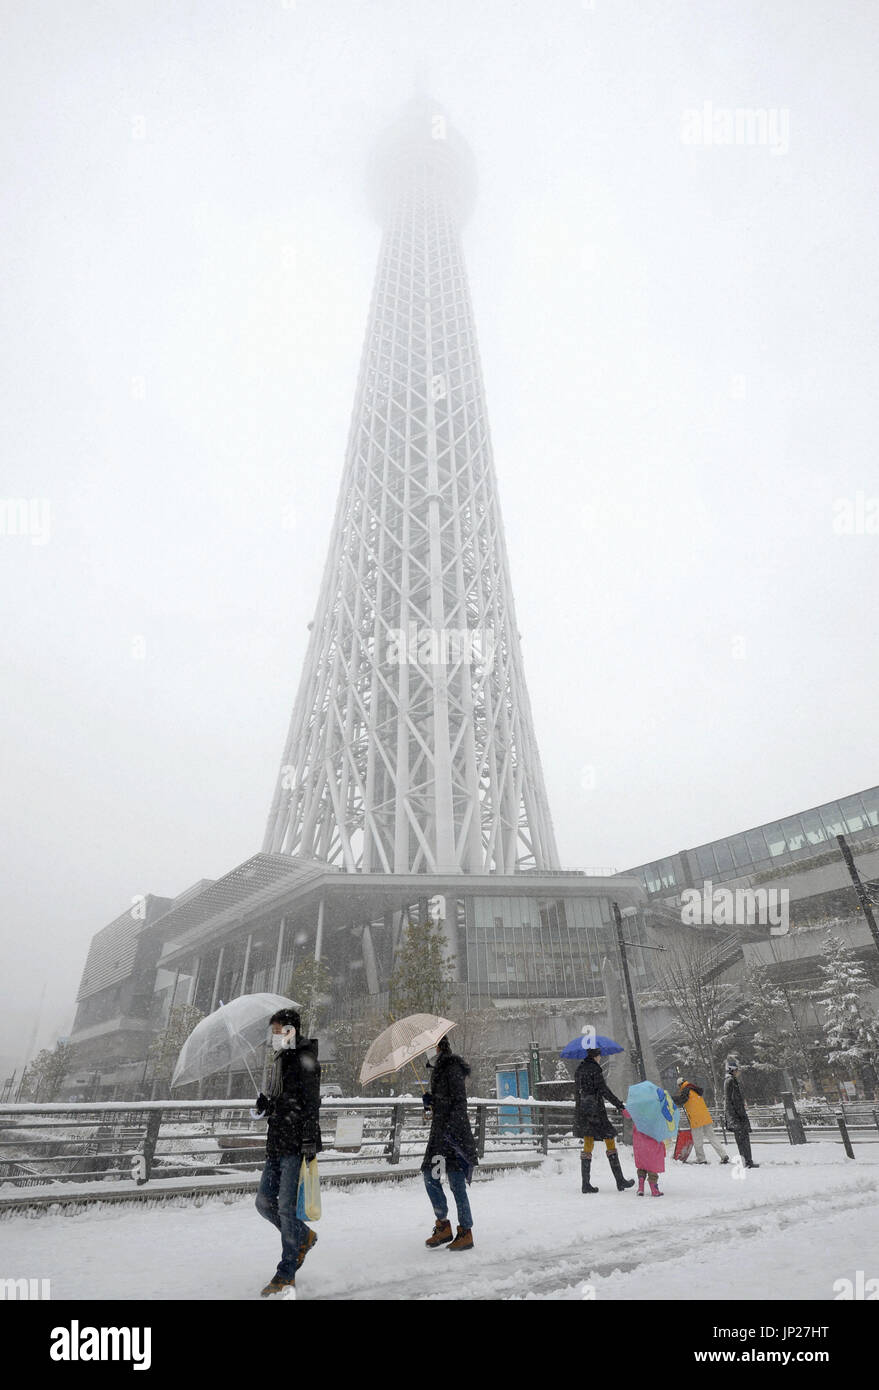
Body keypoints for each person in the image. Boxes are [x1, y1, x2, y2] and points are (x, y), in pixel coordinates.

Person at [253, 1008, 323, 1296]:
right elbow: (283, 1101)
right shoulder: (280, 1060)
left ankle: (286, 1273)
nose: (273, 1036)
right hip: (277, 1141)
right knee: (263, 1202)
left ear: (290, 1030)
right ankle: (303, 1236)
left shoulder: (305, 1059)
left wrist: (307, 1138)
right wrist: (266, 1105)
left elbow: (310, 1103)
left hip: (295, 1144)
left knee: (285, 1207)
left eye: (277, 1030)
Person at [421, 1034, 479, 1251]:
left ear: (437, 1047)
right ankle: (443, 1225)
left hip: (454, 1138)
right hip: (440, 1137)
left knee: (456, 1184)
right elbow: (443, 1104)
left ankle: (465, 1231)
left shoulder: (452, 1069)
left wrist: (437, 1103)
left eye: (429, 1048)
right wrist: (431, 1103)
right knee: (430, 1176)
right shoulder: (437, 1071)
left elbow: (458, 1103)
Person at [573, 1046, 634, 1192]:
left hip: (583, 1111)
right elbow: (604, 1091)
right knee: (609, 1139)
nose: (600, 1058)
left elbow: (577, 1092)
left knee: (588, 1141)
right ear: (596, 1056)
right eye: (599, 1056)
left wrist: (580, 1111)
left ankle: (585, 1184)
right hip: (596, 1112)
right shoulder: (595, 1069)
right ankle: (620, 1181)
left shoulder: (579, 1070)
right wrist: (619, 1105)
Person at [674, 1075, 730, 1165]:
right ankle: (723, 1155)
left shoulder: (686, 1090)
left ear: (680, 1085)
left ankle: (701, 1159)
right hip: (706, 1117)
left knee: (697, 1140)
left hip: (696, 1119)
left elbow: (681, 1099)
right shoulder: (694, 1089)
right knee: (712, 1137)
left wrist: (670, 1098)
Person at [622, 1105, 666, 1196]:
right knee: (652, 1165)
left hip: (639, 1140)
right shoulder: (656, 1106)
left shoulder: (638, 1105)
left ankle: (641, 1187)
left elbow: (626, 1113)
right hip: (652, 1140)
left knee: (642, 1164)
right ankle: (654, 1189)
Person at [724, 1057, 759, 1169]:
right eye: (737, 1070)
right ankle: (748, 1161)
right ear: (733, 1070)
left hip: (733, 1116)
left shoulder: (727, 1081)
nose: (738, 1072)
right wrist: (742, 1115)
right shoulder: (732, 1081)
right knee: (744, 1140)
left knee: (740, 1140)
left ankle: (746, 1161)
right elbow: (736, 1100)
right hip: (737, 1117)